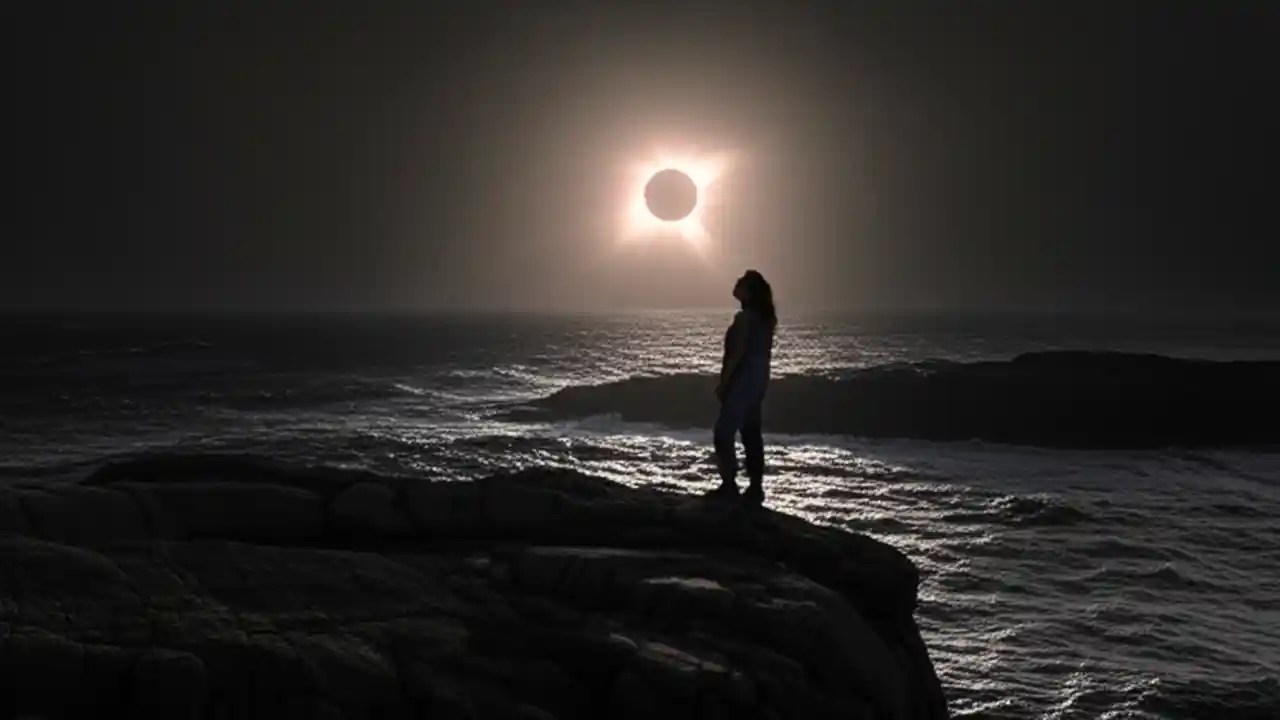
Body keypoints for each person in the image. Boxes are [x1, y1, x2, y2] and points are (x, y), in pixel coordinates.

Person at [709, 269, 776, 505]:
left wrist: (724, 383)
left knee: (723, 432)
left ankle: (729, 485)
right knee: (751, 433)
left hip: (745, 378)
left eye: (740, 283)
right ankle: (756, 488)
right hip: (759, 378)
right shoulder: (766, 318)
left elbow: (737, 354)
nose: (735, 284)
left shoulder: (746, 318)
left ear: (748, 290)